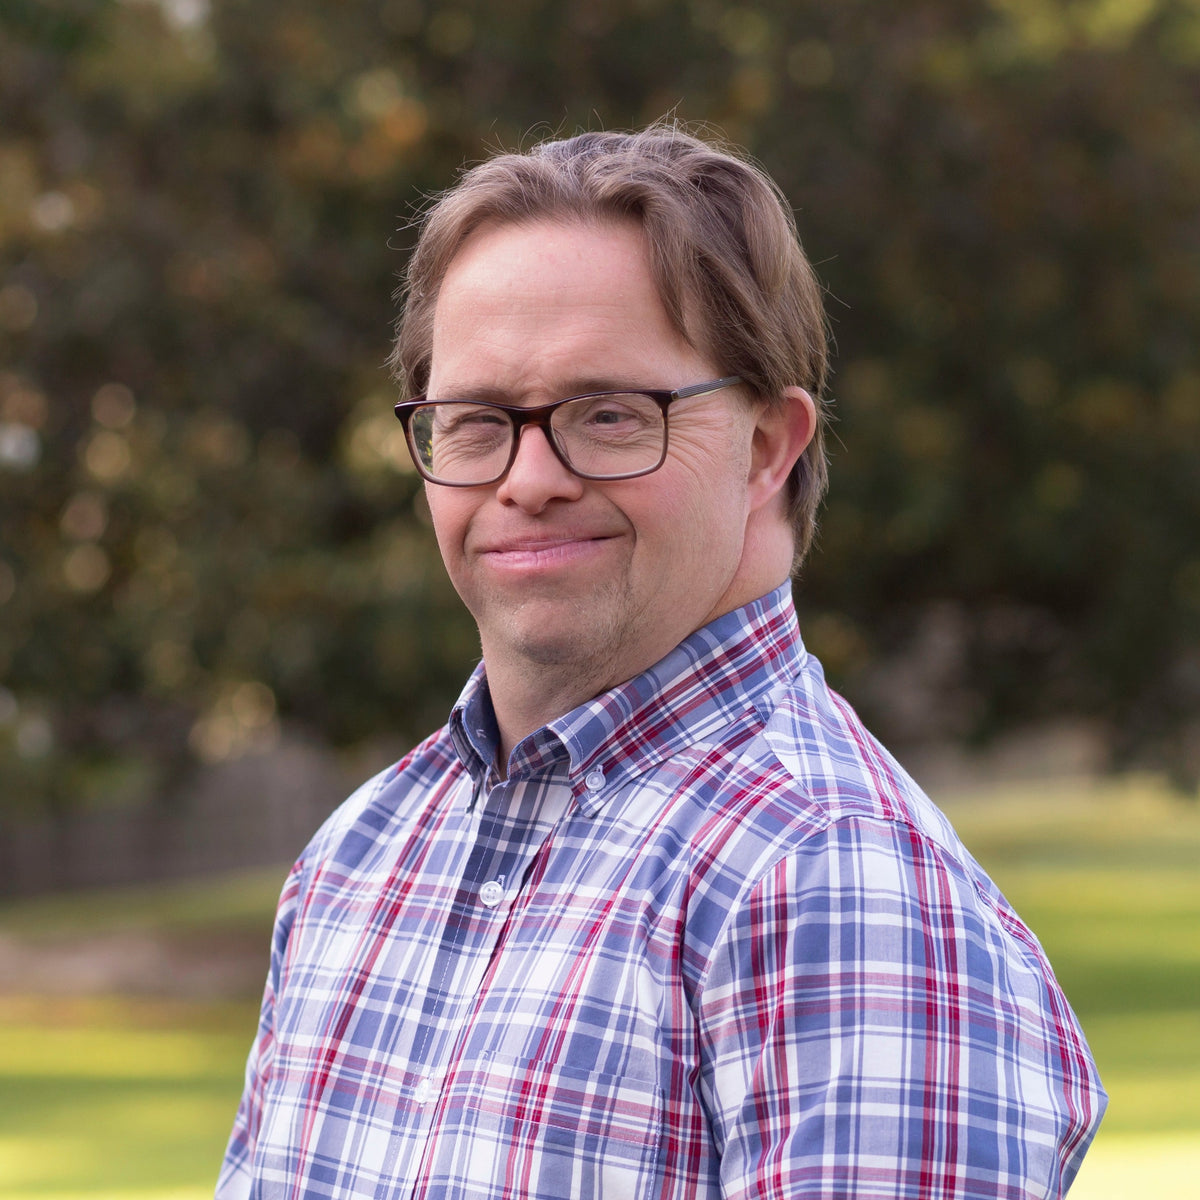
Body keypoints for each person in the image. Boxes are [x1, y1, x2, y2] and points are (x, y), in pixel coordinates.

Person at [217, 123, 1105, 1200]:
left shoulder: (833, 887)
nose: (528, 479)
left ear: (768, 448)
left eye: (608, 414)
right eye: (476, 422)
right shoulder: (361, 859)